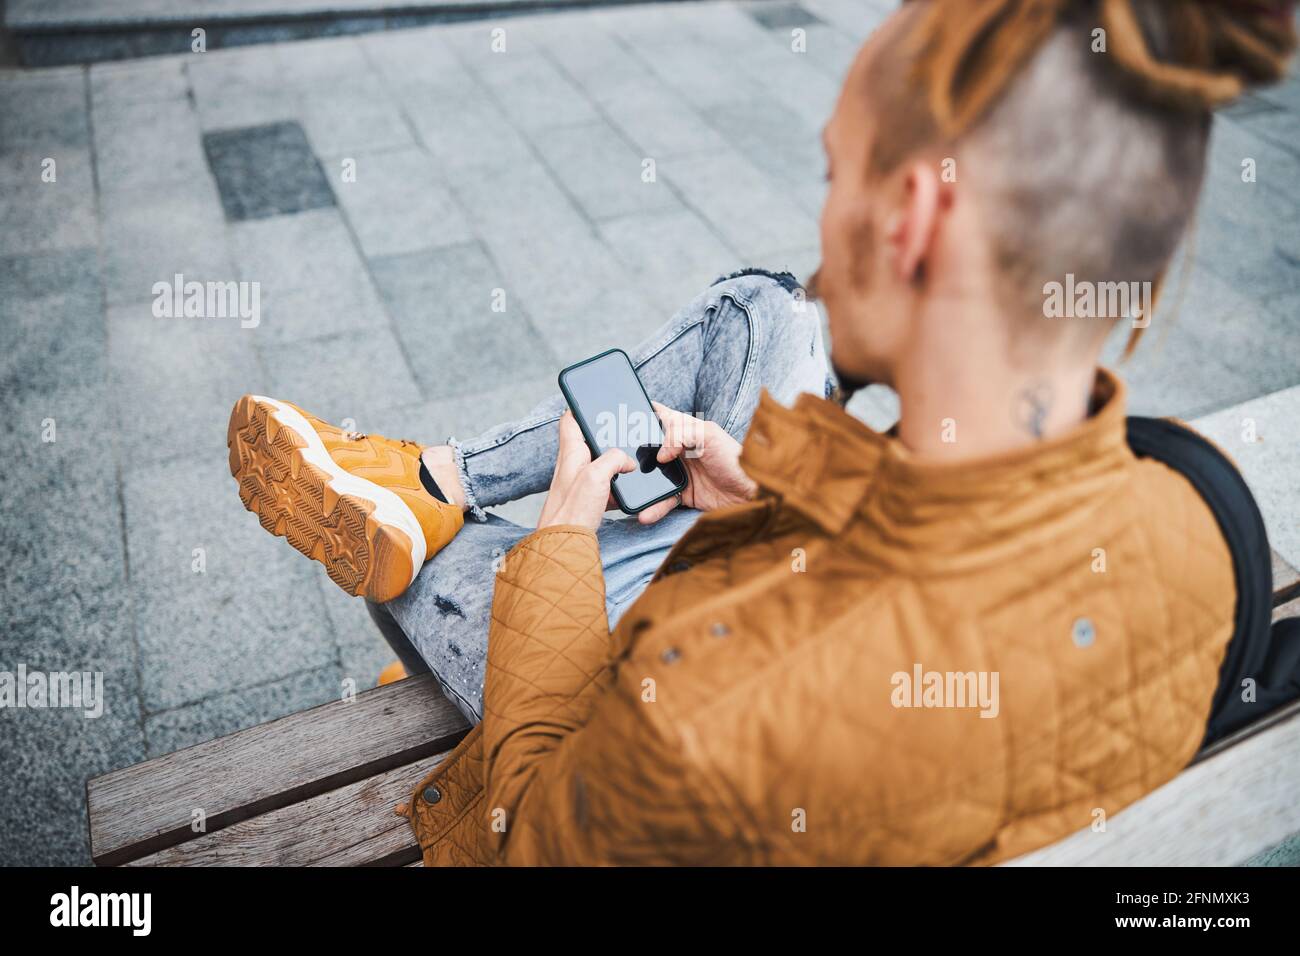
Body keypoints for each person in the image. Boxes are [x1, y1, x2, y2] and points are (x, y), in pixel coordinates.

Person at [226, 0, 1296, 864]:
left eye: (838, 175)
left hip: (660, 721)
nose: (824, 225)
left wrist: (557, 542)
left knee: (466, 556)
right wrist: (771, 500)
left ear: (914, 217)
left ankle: (423, 495)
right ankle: (420, 482)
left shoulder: (708, 726)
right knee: (769, 308)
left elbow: (528, 826)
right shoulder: (1196, 514)